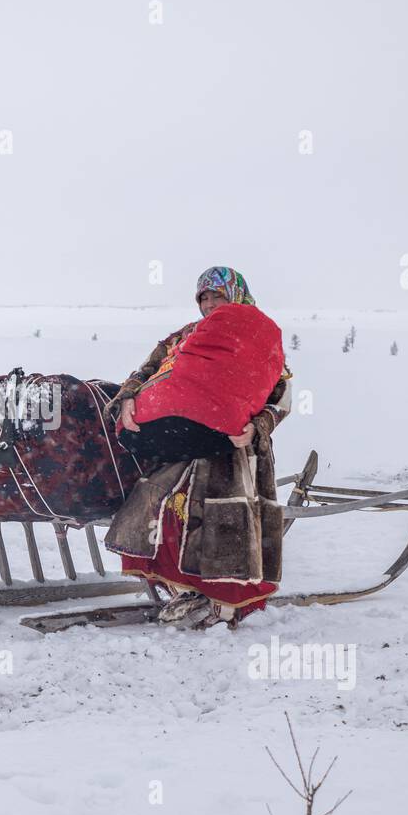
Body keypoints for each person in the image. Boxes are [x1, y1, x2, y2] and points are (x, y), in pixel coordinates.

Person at [103, 267, 292, 629]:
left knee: (224, 526)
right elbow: (148, 372)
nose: (209, 304)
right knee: (168, 514)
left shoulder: (258, 340)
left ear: (236, 296)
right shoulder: (184, 337)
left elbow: (280, 397)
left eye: (217, 296)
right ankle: (184, 592)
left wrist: (257, 428)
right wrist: (128, 398)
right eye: (203, 298)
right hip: (179, 444)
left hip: (233, 452)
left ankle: (225, 602)